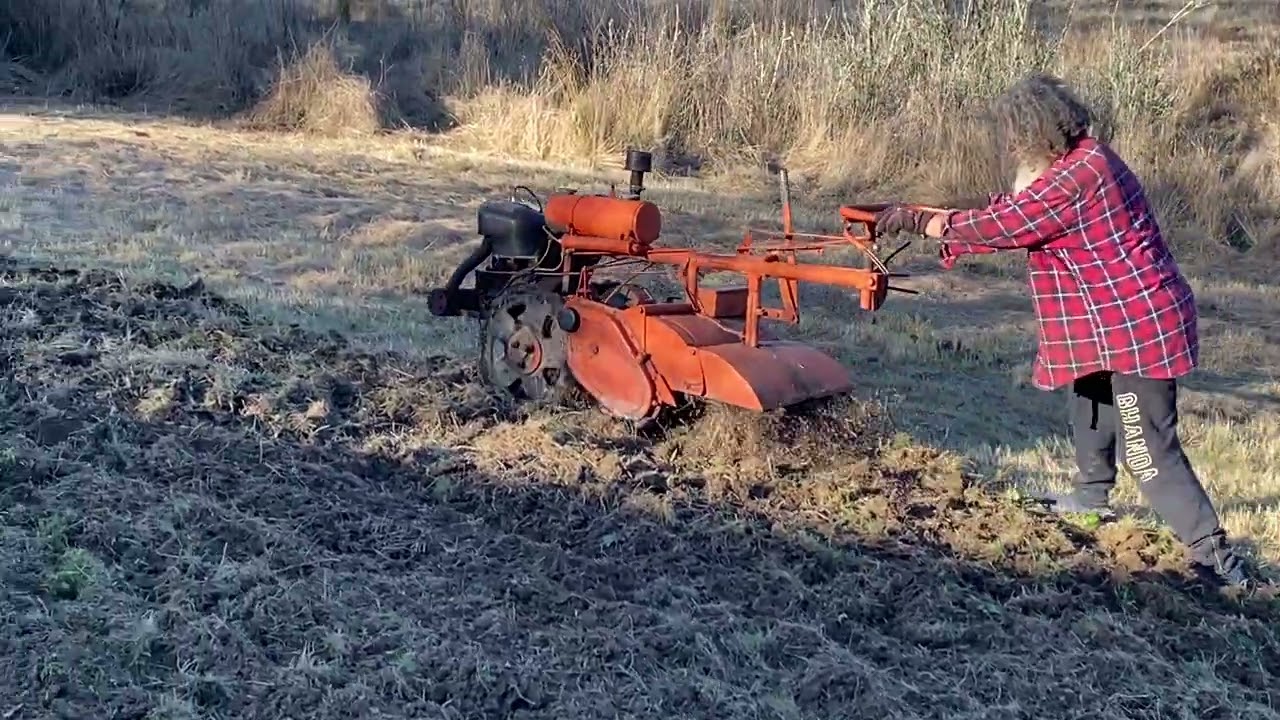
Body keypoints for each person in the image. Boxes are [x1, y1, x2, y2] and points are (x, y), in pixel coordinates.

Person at [873, 72, 1252, 589]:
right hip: (1102, 326)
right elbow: (1010, 212)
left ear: (1038, 133)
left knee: (1147, 452)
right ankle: (1091, 497)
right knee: (1089, 399)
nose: (1010, 148)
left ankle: (1218, 562)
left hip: (1137, 329)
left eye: (1016, 137)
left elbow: (1011, 225)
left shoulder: (1081, 176)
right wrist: (935, 216)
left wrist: (927, 225)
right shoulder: (1079, 162)